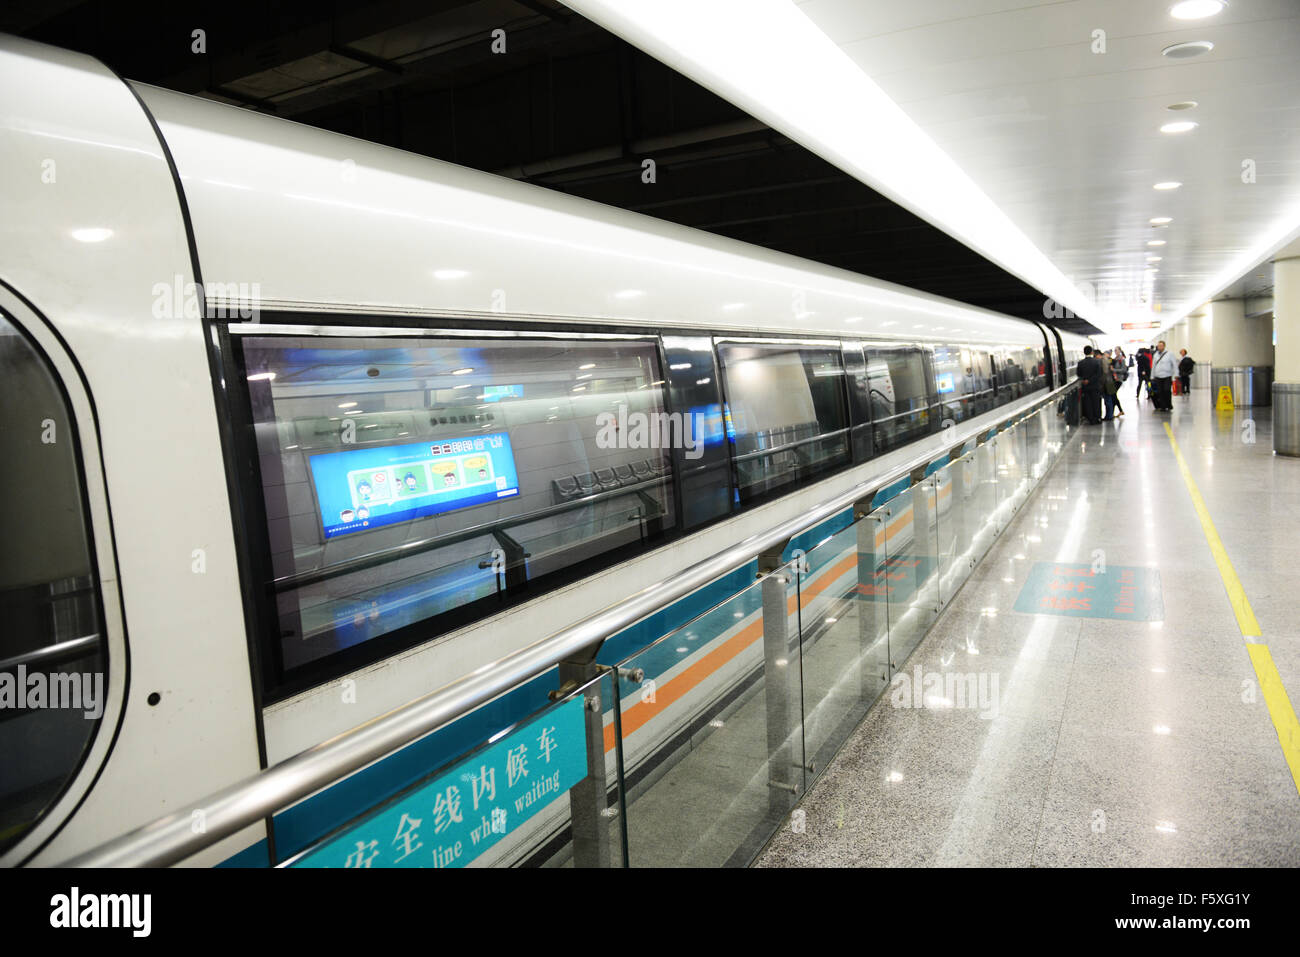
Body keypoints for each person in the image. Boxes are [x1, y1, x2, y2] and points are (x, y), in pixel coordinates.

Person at [1076, 345, 1102, 424]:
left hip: (1085, 387)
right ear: (1091, 352)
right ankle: (1097, 418)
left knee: (1088, 403)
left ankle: (1091, 419)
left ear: (1084, 352)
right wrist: (1090, 380)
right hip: (1095, 386)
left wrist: (1085, 380)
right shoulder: (1097, 362)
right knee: (1096, 403)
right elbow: (1098, 374)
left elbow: (1079, 374)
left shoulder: (1080, 363)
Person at [1150, 340, 1176, 411]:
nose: (1159, 347)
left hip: (1167, 375)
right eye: (1158, 346)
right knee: (1160, 391)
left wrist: (1176, 375)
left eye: (1161, 346)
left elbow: (1174, 364)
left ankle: (1169, 404)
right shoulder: (1155, 355)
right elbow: (1153, 366)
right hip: (1158, 376)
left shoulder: (1170, 354)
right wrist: (1152, 376)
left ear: (1164, 346)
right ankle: (1163, 406)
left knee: (1167, 390)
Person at [1098, 348, 1119, 421]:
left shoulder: (1104, 360)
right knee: (1109, 399)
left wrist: (1101, 383)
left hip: (1106, 383)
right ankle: (1110, 415)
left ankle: (1109, 416)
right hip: (1109, 382)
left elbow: (1105, 372)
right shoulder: (1108, 359)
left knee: (1108, 399)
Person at [1110, 347, 1128, 417]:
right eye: (1115, 350)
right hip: (1114, 379)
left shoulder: (1121, 359)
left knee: (1113, 394)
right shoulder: (1115, 359)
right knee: (1113, 395)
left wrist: (1113, 370)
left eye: (1117, 350)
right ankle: (1116, 412)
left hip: (1119, 379)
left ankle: (1119, 411)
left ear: (1120, 351)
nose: (1115, 352)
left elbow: (1124, 370)